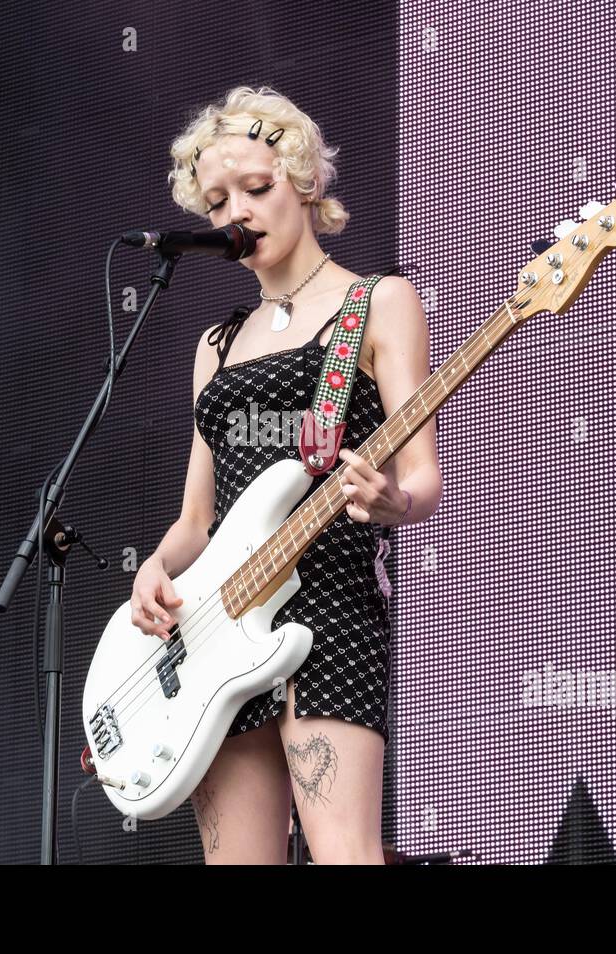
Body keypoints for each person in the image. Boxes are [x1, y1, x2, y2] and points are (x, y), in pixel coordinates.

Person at [130, 85, 441, 864]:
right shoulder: (217, 345)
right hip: (217, 628)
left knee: (345, 855)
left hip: (327, 609)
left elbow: (423, 479)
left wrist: (390, 500)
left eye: (257, 189)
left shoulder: (378, 302)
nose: (237, 211)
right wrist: (155, 570)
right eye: (218, 201)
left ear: (303, 182)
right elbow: (195, 521)